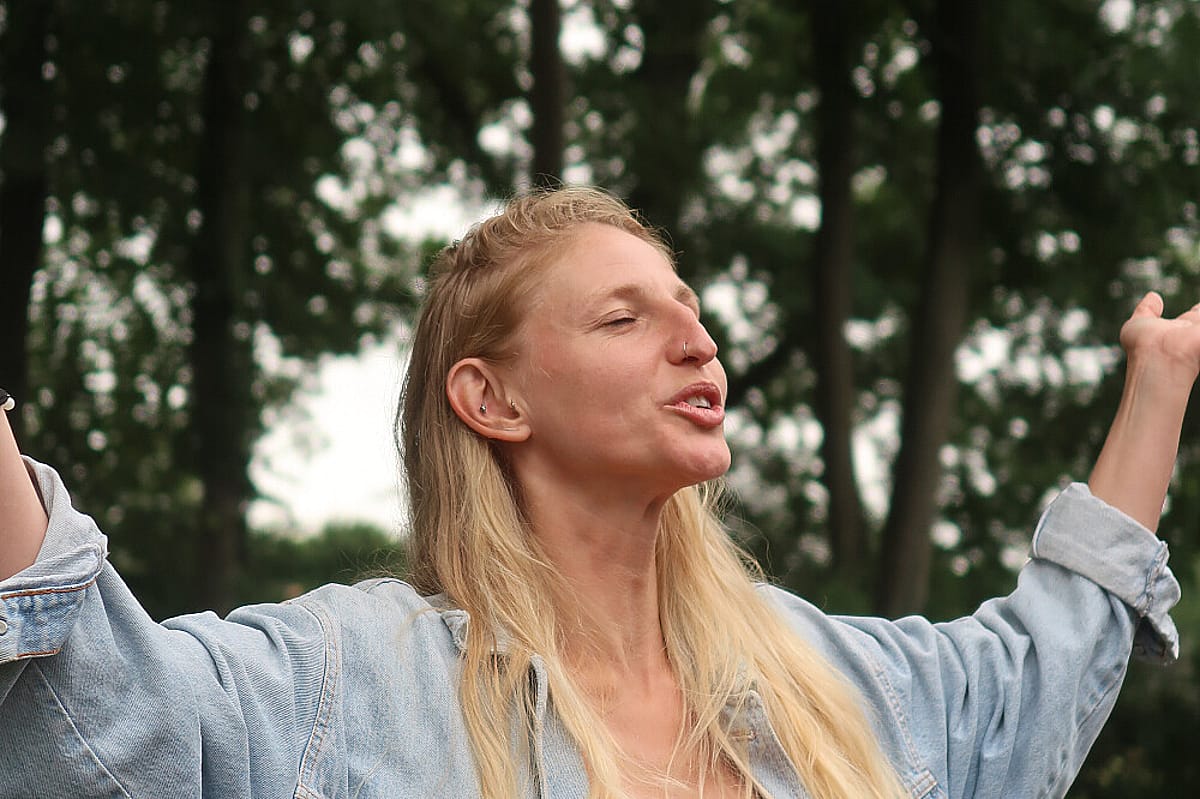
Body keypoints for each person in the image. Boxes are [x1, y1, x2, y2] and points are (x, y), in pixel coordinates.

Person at [0, 186, 1185, 799]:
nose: (697, 341)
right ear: (492, 400)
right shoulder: (348, 683)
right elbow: (106, 725)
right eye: (626, 317)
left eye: (692, 308)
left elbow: (1039, 671)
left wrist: (1163, 385)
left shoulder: (832, 682)